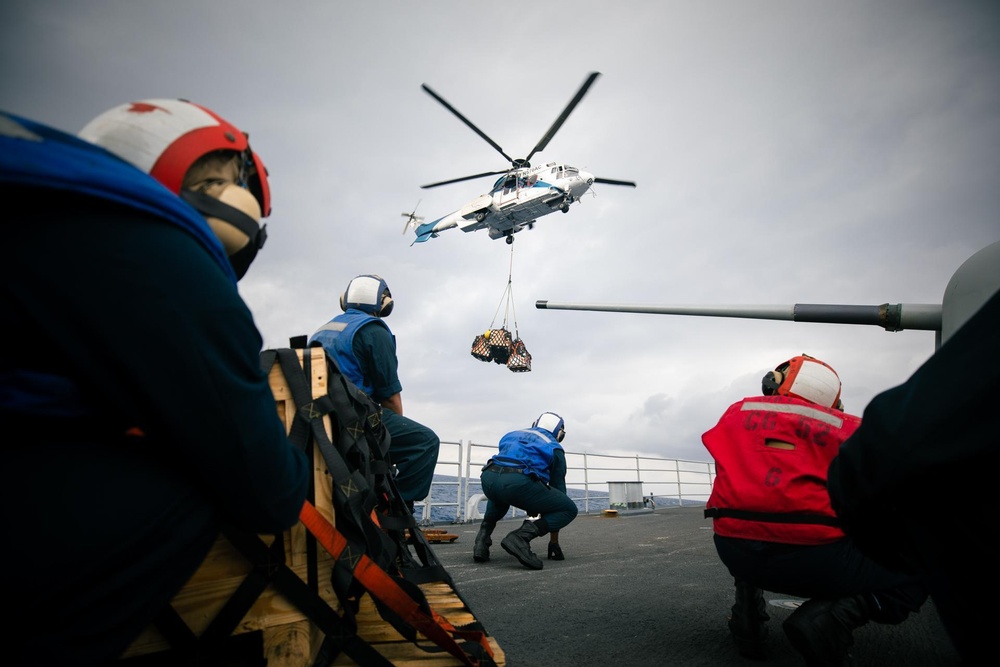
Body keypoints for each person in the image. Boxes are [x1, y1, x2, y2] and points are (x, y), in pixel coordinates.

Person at [0, 101, 310, 665]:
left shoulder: (43, 185)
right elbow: (271, 492)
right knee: (191, 484)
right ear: (228, 195)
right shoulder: (157, 242)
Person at [702, 355, 927, 665]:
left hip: (734, 552)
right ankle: (836, 615)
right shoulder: (848, 429)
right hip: (814, 561)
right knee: (922, 564)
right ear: (834, 403)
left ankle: (746, 619)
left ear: (774, 382)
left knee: (753, 518)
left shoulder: (735, 414)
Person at [827, 287, 1000, 664]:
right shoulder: (841, 426)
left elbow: (875, 459)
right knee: (911, 579)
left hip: (739, 547)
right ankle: (844, 611)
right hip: (824, 548)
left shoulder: (743, 416)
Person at [309, 275, 440, 509]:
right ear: (384, 303)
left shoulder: (323, 330)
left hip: (316, 415)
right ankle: (395, 510)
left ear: (344, 300)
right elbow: (389, 397)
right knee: (425, 442)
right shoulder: (373, 330)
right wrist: (386, 439)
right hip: (352, 417)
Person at [473, 412, 579, 570]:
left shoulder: (512, 434)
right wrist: (554, 541)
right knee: (569, 509)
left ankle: (481, 543)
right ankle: (520, 538)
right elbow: (558, 492)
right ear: (559, 433)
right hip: (517, 483)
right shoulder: (554, 448)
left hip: (488, 478)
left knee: (501, 494)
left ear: (535, 423)